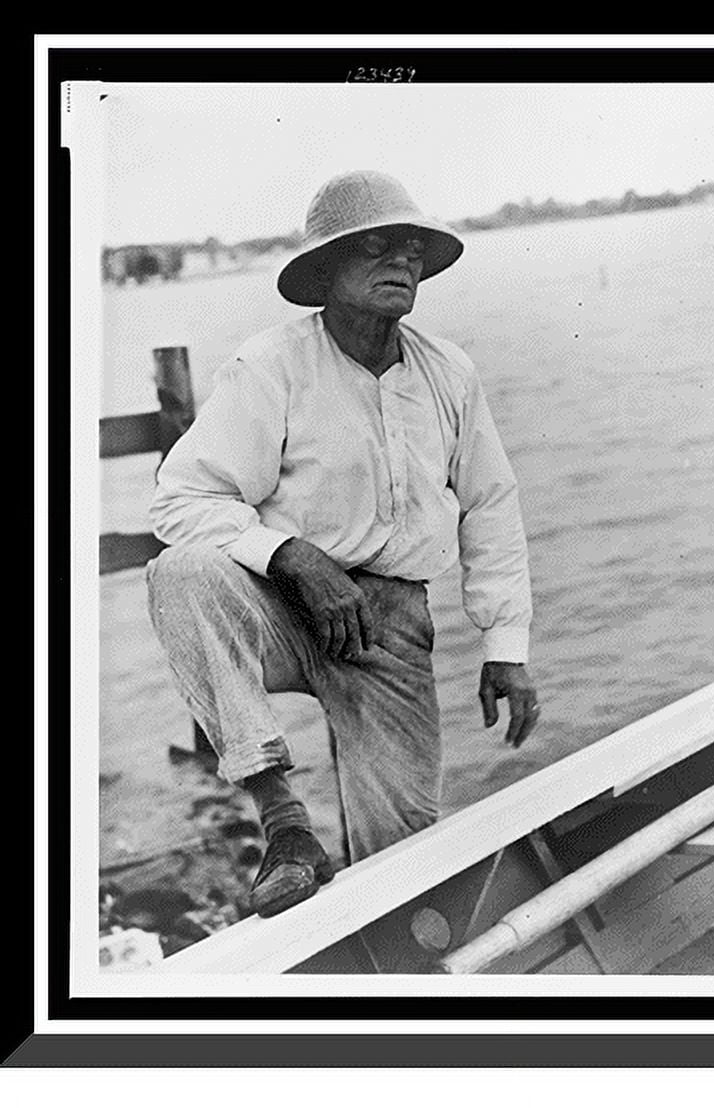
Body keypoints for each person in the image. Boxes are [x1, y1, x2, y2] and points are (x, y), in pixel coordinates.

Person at [146, 170, 540, 919]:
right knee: (181, 572)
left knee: (404, 867)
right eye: (375, 246)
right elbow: (180, 499)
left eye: (412, 247)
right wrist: (292, 556)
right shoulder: (271, 366)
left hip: (388, 627)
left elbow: (490, 505)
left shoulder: (449, 373)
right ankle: (285, 825)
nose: (402, 260)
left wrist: (506, 646)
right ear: (325, 271)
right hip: (285, 607)